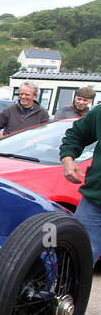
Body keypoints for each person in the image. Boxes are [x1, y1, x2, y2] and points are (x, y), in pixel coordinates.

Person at [60, 98, 101, 266]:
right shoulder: (99, 113)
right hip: (95, 202)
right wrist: (68, 158)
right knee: (75, 260)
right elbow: (76, 134)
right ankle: (70, 292)